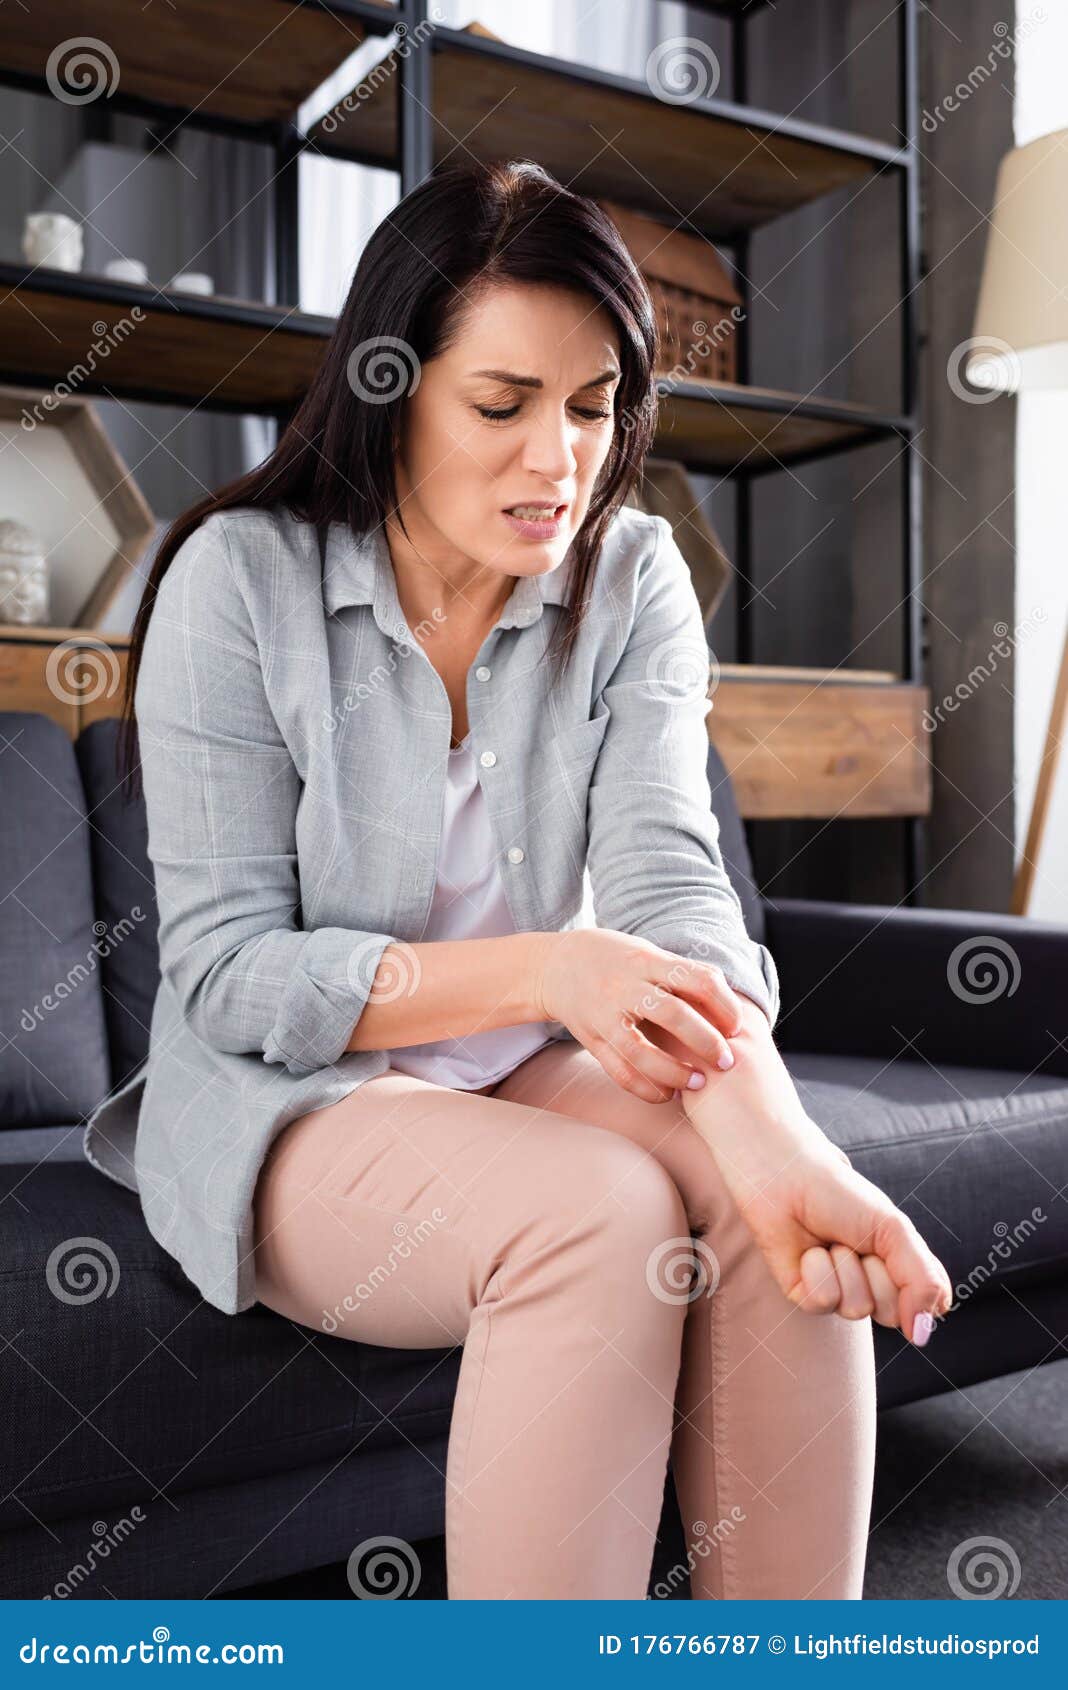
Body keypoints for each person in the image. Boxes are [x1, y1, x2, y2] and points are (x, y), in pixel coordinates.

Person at [87, 158, 953, 1600]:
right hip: (295, 1089)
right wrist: (553, 965)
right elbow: (230, 971)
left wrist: (780, 1134)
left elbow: (673, 878)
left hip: (529, 1063)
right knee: (599, 1213)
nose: (557, 459)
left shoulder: (632, 577)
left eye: (594, 405)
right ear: (392, 388)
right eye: (500, 405)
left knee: (762, 1195)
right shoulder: (237, 581)